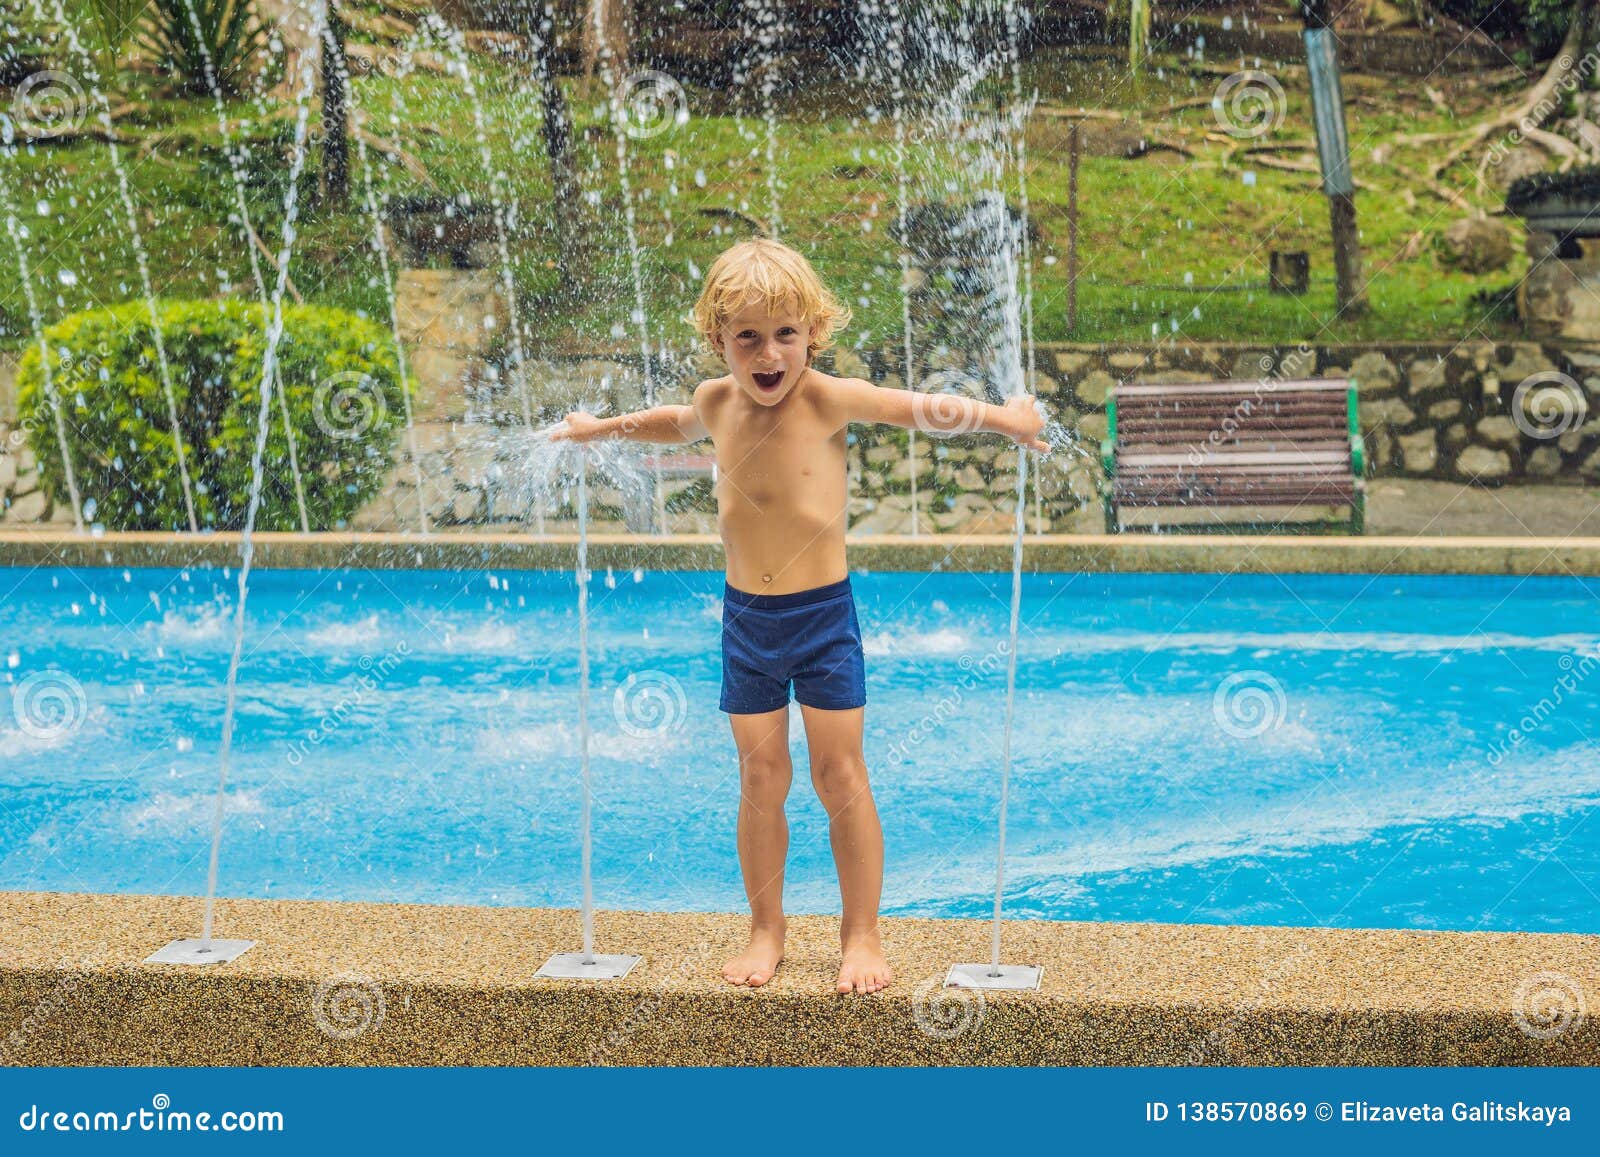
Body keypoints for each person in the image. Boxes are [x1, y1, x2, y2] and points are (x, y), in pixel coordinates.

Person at [553, 238, 1047, 994]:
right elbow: (669, 422)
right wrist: (597, 430)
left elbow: (922, 411)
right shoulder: (719, 402)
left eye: (785, 333)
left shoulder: (828, 397)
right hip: (746, 620)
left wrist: (1005, 420)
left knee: (839, 772)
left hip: (822, 617)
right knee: (761, 775)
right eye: (746, 336)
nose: (768, 352)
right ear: (718, 341)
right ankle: (765, 929)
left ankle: (861, 934)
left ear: (813, 335)